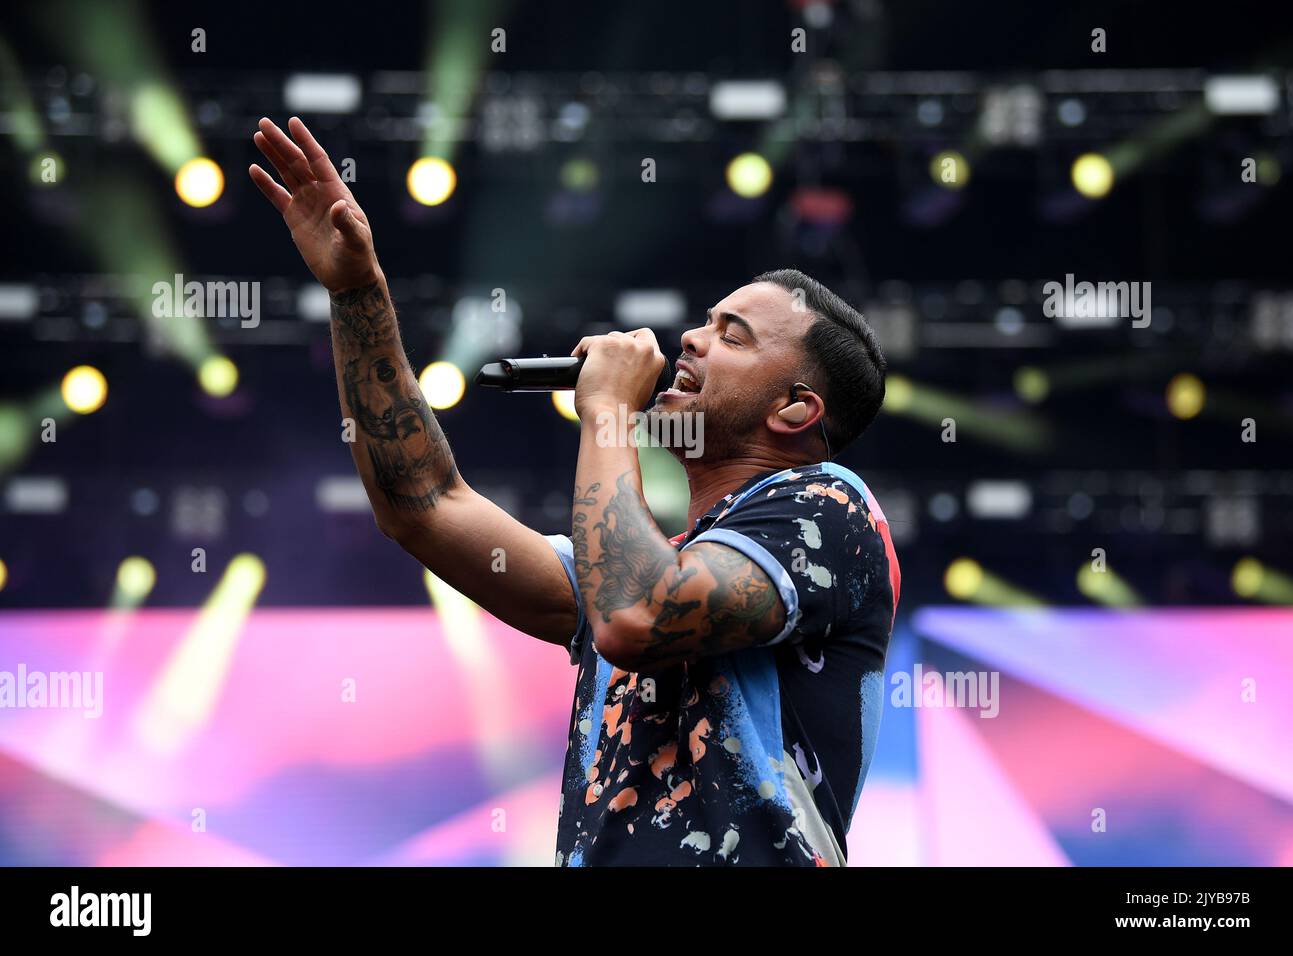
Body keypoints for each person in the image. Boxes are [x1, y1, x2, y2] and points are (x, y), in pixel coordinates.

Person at [250, 116, 900, 866]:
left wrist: (606, 411)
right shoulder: (638, 562)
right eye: (707, 321)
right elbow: (423, 503)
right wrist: (358, 292)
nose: (690, 338)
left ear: (794, 409)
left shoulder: (831, 507)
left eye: (733, 336)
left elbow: (633, 614)